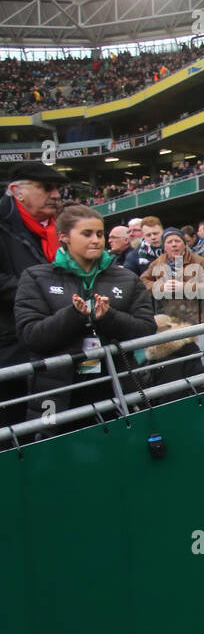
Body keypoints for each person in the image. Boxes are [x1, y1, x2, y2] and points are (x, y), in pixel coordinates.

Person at [13, 205, 156, 434]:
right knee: (54, 457)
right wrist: (73, 316)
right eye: (87, 234)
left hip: (117, 387)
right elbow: (31, 335)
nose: (96, 240)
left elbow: (146, 330)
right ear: (64, 237)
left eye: (100, 234)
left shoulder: (127, 279)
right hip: (55, 395)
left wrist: (109, 317)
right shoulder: (35, 277)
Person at [0, 161, 64, 431]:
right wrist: (46, 292)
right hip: (9, 348)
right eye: (46, 188)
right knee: (13, 432)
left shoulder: (54, 229)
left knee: (50, 426)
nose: (56, 195)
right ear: (17, 191)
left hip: (49, 342)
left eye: (58, 189)